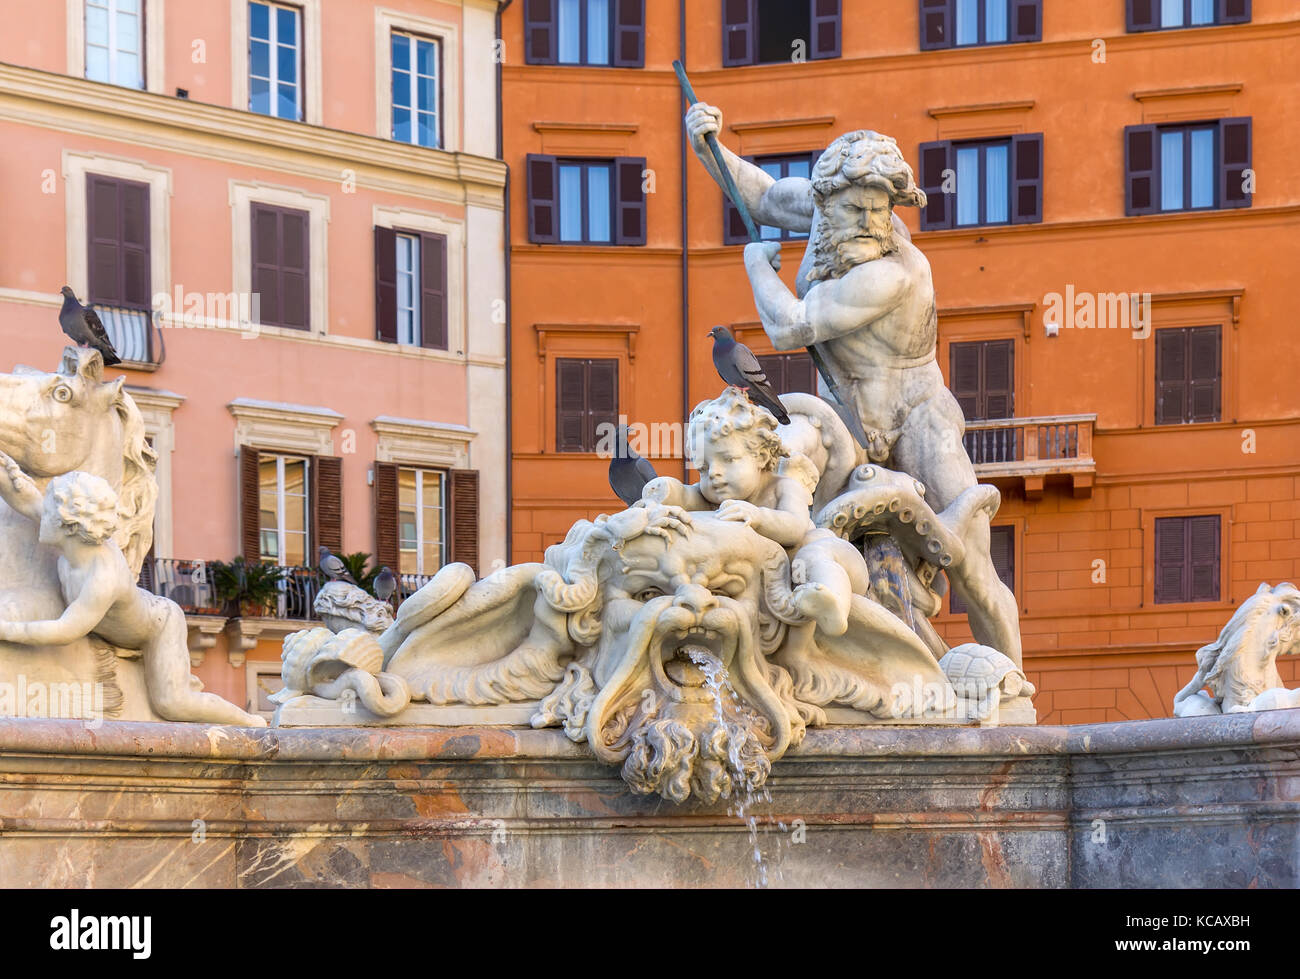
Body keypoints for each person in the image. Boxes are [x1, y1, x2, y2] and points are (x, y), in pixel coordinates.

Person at [684, 102, 1023, 665]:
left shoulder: (896, 270)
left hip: (918, 417)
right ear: (825, 204)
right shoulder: (819, 213)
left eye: (881, 209)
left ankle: (1015, 684)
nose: (872, 222)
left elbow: (791, 326)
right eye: (858, 209)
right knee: (812, 511)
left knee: (970, 561)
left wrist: (755, 268)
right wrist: (709, 148)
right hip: (847, 416)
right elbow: (762, 196)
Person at [0, 456, 266, 726]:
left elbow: (65, 630)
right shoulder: (73, 536)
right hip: (127, 622)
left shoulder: (102, 577)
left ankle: (250, 723)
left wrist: (7, 629)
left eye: (47, 513)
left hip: (159, 626)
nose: (39, 514)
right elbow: (27, 500)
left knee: (174, 703)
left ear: (67, 525)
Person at [642, 389, 867, 635]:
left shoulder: (783, 486)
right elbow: (685, 495)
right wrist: (664, 491)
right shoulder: (713, 497)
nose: (714, 473)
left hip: (834, 560)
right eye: (704, 468)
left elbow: (794, 528)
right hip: (770, 584)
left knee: (814, 551)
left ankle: (832, 602)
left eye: (727, 460)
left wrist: (759, 516)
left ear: (760, 456)